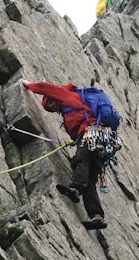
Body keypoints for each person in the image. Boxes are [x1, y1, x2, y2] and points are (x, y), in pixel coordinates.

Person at [22, 80, 122, 230]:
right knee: (89, 178)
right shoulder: (70, 109)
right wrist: (75, 140)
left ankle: (75, 188)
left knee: (81, 160)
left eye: (51, 103)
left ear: (54, 98)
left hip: (92, 134)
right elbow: (82, 123)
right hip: (101, 141)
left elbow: (47, 88)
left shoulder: (67, 95)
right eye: (50, 108)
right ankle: (97, 216)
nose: (52, 107)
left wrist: (29, 84)